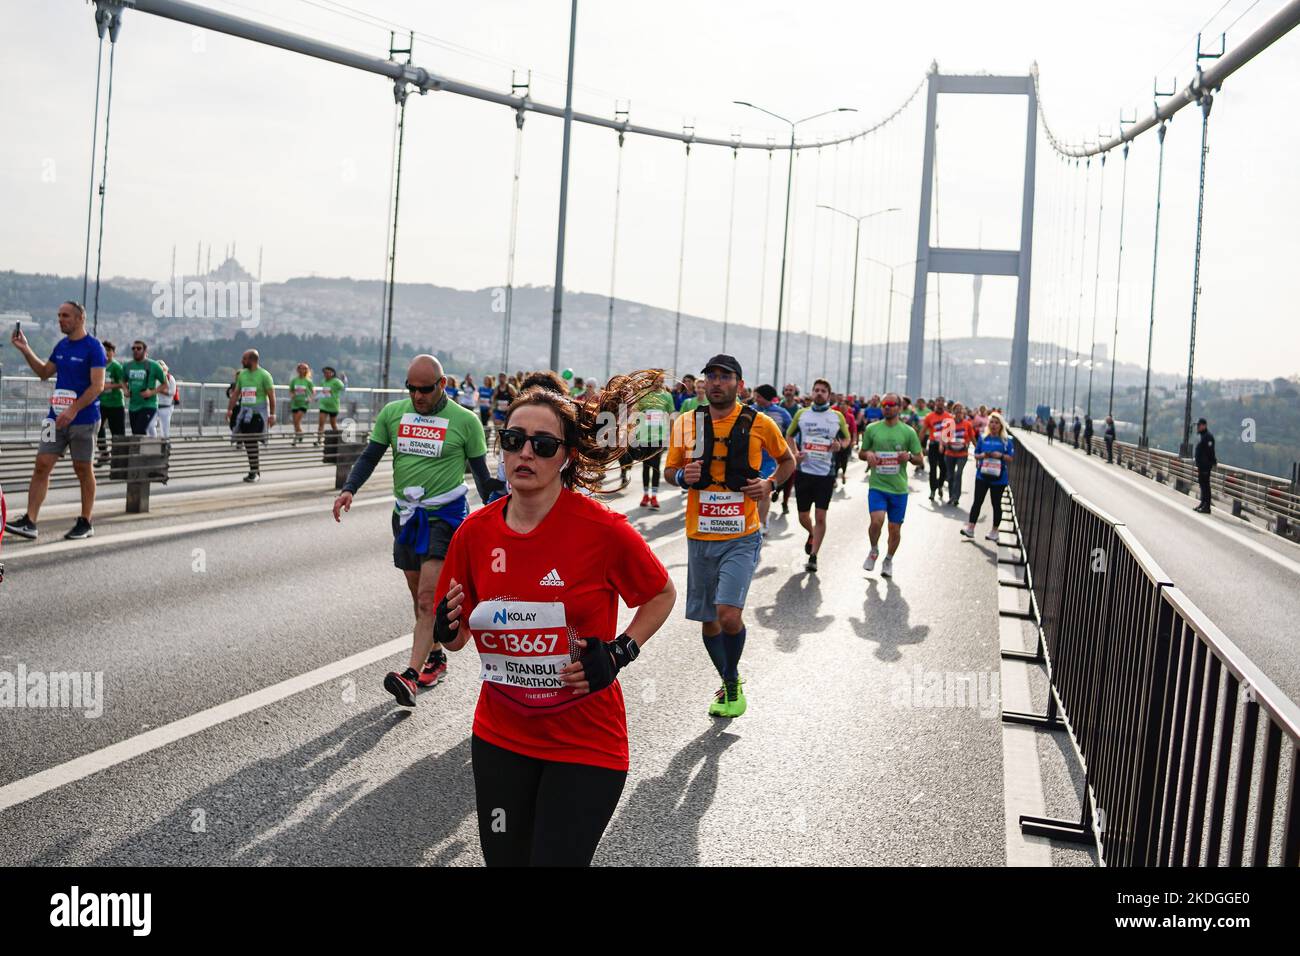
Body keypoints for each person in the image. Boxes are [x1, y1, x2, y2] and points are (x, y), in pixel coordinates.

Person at [432, 375, 675, 867]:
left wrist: (620, 651)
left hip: (586, 743)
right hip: (501, 737)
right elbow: (457, 640)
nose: (525, 454)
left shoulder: (602, 530)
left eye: (542, 445)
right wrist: (446, 628)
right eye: (514, 440)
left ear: (566, 456)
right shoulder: (474, 534)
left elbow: (660, 594)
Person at [334, 355, 504, 706]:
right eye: (411, 388)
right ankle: (436, 654)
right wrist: (350, 487)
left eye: (424, 389)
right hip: (406, 517)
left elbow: (482, 477)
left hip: (445, 517)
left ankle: (410, 676)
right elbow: (370, 455)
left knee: (428, 597)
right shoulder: (393, 414)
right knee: (419, 595)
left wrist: (504, 511)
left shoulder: (465, 421)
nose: (417, 396)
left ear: (442, 385)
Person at [664, 354, 795, 718]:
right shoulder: (687, 423)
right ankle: (729, 678)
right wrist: (681, 478)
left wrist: (769, 484)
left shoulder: (760, 422)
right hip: (699, 534)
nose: (717, 382)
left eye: (725, 377)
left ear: (739, 383)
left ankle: (732, 680)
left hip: (742, 534)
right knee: (709, 621)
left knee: (728, 614)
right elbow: (670, 471)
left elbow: (787, 462)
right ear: (703, 383)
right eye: (711, 376)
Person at [4, 302, 105, 541]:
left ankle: (86, 521)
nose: (61, 320)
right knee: (41, 464)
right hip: (54, 418)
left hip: (84, 418)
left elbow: (98, 385)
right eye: (59, 315)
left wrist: (74, 409)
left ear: (81, 318)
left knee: (83, 469)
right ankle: (30, 521)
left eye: (66, 316)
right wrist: (26, 350)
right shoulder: (61, 346)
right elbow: (43, 372)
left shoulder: (94, 347)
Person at [786, 379, 851, 574]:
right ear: (812, 393)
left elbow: (847, 438)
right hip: (804, 471)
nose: (819, 393)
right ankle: (812, 533)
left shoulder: (836, 416)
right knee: (802, 516)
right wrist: (794, 454)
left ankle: (813, 556)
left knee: (821, 515)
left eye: (823, 391)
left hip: (826, 473)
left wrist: (841, 445)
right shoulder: (802, 414)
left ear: (829, 395)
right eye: (816, 390)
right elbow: (789, 436)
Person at [858, 392, 924, 578]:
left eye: (891, 404)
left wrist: (909, 457)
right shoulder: (872, 429)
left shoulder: (908, 432)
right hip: (878, 486)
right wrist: (868, 455)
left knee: (894, 529)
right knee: (876, 521)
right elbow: (862, 453)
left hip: (899, 489)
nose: (886, 406)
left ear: (899, 408)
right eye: (884, 404)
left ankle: (888, 559)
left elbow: (920, 459)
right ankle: (873, 550)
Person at [961, 412, 1015, 541]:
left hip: (999, 478)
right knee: (977, 502)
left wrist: (1000, 455)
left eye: (997, 423)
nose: (994, 425)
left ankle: (994, 531)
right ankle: (971, 528)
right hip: (982, 475)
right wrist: (983, 455)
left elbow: (1010, 458)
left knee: (996, 504)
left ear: (1001, 425)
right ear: (988, 424)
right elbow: (976, 454)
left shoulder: (1007, 441)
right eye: (992, 422)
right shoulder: (983, 438)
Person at [226, 349, 276, 482]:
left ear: (252, 360)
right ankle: (254, 470)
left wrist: (273, 414)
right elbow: (236, 393)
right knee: (248, 442)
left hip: (257, 414)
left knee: (251, 441)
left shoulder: (264, 375)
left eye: (244, 359)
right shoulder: (242, 374)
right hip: (244, 413)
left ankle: (254, 472)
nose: (242, 361)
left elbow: (271, 396)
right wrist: (230, 409)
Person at [750, 384, 792, 536]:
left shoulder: (781, 413)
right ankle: (754, 519)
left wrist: (791, 448)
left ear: (766, 398)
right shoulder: (750, 410)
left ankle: (761, 523)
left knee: (764, 491)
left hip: (771, 460)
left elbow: (792, 431)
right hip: (751, 458)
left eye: (759, 396)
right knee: (752, 492)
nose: (756, 399)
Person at [633, 372, 674, 509]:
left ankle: (654, 497)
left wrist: (672, 434)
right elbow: (634, 413)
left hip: (659, 437)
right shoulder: (642, 395)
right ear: (651, 380)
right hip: (644, 436)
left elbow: (671, 415)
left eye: (661, 380)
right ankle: (645, 495)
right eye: (656, 380)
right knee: (646, 466)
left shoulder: (667, 396)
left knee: (656, 467)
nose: (659, 382)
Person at [123, 340, 167, 435]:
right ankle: (141, 449)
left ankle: (143, 449)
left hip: (148, 404)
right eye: (133, 348)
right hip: (133, 405)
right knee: (135, 432)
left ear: (145, 350)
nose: (136, 350)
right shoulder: (128, 366)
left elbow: (165, 384)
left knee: (140, 430)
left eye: (139, 348)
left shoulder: (154, 365)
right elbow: (122, 380)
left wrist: (151, 392)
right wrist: (125, 389)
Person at [95, 340, 127, 464]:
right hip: (101, 403)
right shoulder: (98, 365)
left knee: (117, 433)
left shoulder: (117, 367)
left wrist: (108, 386)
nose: (106, 353)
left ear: (113, 353)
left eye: (109, 350)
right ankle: (104, 452)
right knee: (97, 428)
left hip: (116, 404)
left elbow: (124, 383)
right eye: (104, 350)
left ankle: (119, 458)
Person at [921, 396, 953, 503]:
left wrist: (943, 444)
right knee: (933, 469)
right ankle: (932, 490)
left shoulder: (948, 416)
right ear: (935, 403)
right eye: (938, 401)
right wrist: (919, 445)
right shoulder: (929, 416)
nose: (940, 403)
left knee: (944, 468)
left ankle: (940, 485)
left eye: (942, 401)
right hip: (933, 445)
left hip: (944, 446)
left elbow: (949, 434)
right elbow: (923, 431)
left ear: (944, 403)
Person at [944, 402, 977, 507]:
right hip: (950, 453)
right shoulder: (949, 423)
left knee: (958, 474)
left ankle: (956, 497)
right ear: (953, 412)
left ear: (963, 413)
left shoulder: (967, 424)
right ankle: (951, 496)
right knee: (950, 476)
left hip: (962, 454)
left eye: (960, 411)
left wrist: (978, 450)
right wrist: (947, 443)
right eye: (956, 410)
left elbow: (972, 438)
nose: (958, 413)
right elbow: (945, 438)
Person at [833, 392, 858, 486]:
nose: (843, 407)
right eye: (841, 405)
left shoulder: (850, 417)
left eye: (845, 405)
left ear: (848, 407)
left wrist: (854, 441)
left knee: (844, 460)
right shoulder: (835, 416)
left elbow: (854, 430)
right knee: (835, 461)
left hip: (846, 442)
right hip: (836, 442)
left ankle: (843, 473)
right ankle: (834, 479)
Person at [314, 365, 344, 442]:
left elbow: (343, 387)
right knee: (321, 423)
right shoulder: (323, 381)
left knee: (333, 424)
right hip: (323, 405)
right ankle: (318, 440)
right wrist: (317, 398)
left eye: (328, 373)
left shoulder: (336, 381)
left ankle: (338, 439)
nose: (326, 374)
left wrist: (344, 379)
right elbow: (323, 392)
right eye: (325, 373)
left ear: (332, 373)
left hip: (333, 406)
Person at [1193, 417, 1217, 514]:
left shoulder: (1208, 437)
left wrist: (1210, 462)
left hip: (1205, 465)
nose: (1197, 427)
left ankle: (1207, 506)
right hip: (1202, 465)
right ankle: (1203, 503)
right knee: (1202, 484)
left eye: (1199, 425)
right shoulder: (1204, 436)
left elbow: (1210, 452)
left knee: (1206, 485)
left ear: (1204, 426)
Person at [149, 360, 177, 439]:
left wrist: (159, 390)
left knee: (164, 428)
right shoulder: (153, 378)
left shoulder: (170, 378)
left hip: (166, 406)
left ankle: (165, 443)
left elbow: (172, 392)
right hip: (154, 405)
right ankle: (153, 441)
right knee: (150, 425)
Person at [289, 362, 313, 443]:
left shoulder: (308, 381)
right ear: (298, 370)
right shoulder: (294, 380)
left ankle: (296, 438)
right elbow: (291, 390)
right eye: (300, 368)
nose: (302, 370)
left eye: (304, 369)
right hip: (295, 403)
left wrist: (310, 398)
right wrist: (292, 395)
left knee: (297, 421)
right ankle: (300, 434)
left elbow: (313, 392)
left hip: (303, 403)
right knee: (295, 423)